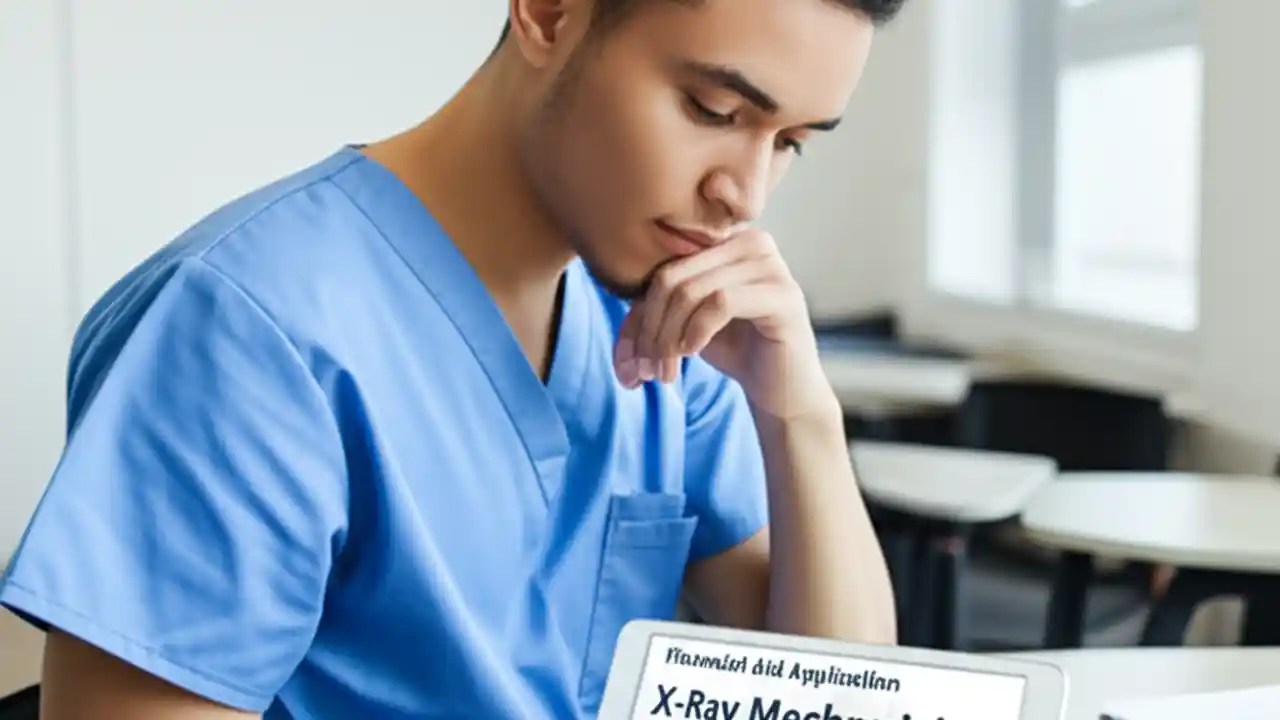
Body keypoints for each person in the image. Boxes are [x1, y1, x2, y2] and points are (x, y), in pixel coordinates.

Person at [0, 0, 904, 717]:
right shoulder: (244, 335)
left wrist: (802, 417)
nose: (744, 194)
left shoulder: (673, 333)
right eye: (714, 111)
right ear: (549, 12)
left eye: (790, 143)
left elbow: (842, 697)